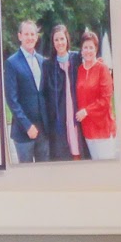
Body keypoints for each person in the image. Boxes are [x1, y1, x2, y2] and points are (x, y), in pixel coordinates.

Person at [4, 19, 49, 162]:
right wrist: (27, 126)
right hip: (23, 132)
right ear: (20, 36)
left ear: (37, 37)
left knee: (45, 174)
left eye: (33, 34)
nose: (30, 37)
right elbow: (12, 100)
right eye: (26, 34)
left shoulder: (42, 61)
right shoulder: (12, 63)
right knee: (26, 176)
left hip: (43, 130)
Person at [73, 29, 116, 159]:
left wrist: (86, 111)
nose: (88, 51)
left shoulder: (102, 69)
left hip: (102, 128)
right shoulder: (79, 70)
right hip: (87, 129)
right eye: (85, 47)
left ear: (96, 49)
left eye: (91, 47)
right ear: (81, 50)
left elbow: (105, 100)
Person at [42, 24, 83, 160]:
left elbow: (91, 62)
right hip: (59, 118)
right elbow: (44, 94)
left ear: (67, 39)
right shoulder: (48, 65)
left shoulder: (77, 58)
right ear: (53, 43)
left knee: (78, 151)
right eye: (56, 40)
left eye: (62, 39)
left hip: (76, 113)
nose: (60, 43)